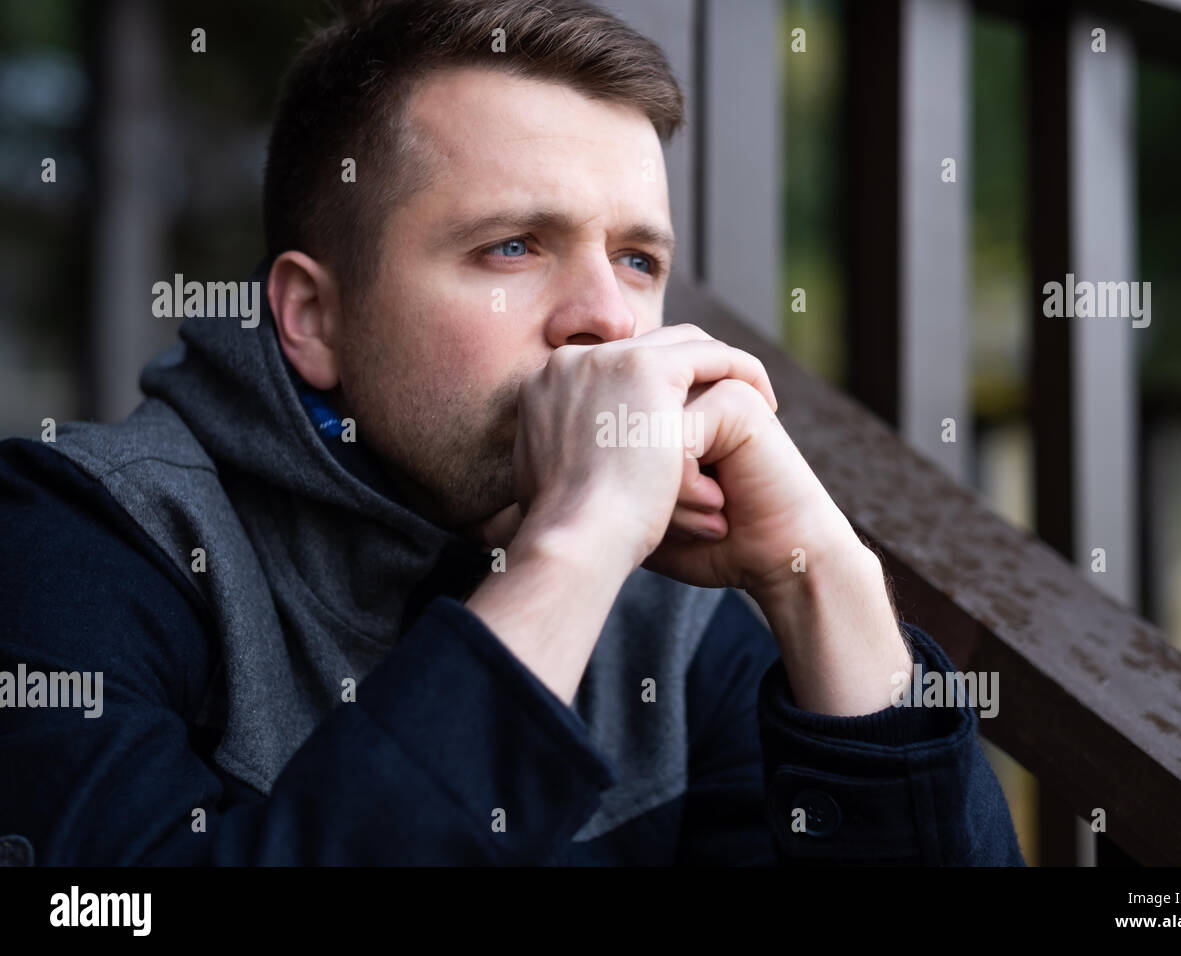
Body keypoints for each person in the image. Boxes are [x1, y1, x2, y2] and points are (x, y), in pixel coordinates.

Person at [0, 0, 1024, 865]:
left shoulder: (672, 617)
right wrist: (569, 553)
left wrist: (821, 578)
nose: (609, 320)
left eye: (635, 259)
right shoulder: (77, 538)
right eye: (514, 246)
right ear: (314, 317)